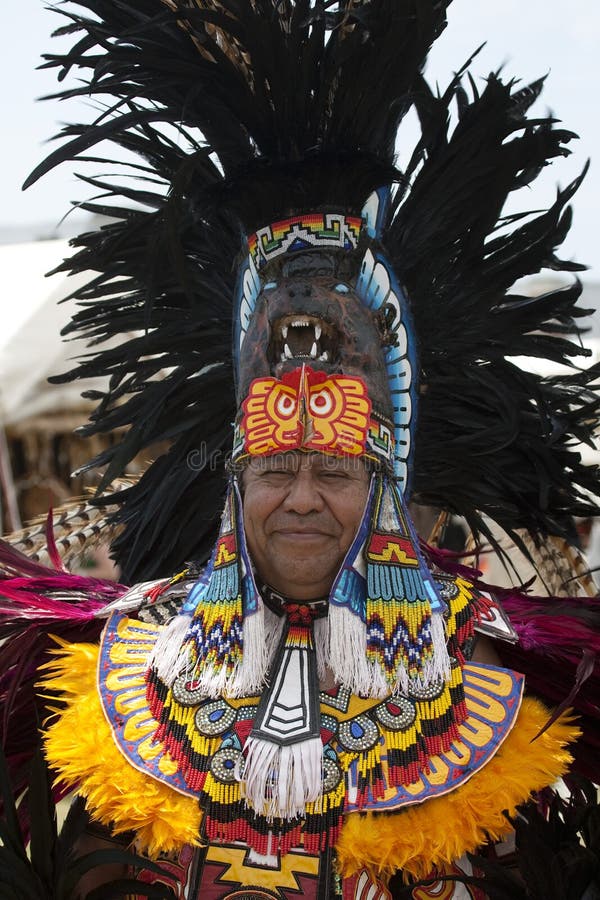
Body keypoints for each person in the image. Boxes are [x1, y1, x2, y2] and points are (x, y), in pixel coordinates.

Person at [2, 3, 600, 899]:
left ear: (384, 485)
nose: (303, 498)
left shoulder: (497, 671)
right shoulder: (124, 658)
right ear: (236, 487)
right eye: (276, 470)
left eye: (335, 472)